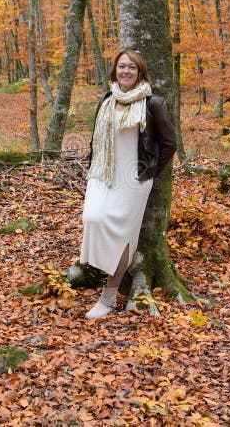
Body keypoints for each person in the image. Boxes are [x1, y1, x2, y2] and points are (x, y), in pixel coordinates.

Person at [81, 49, 177, 319]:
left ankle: (108, 297)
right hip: (104, 173)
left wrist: (147, 172)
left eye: (131, 68)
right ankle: (114, 266)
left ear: (140, 72)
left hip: (133, 179)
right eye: (122, 66)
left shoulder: (152, 103)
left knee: (122, 236)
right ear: (115, 70)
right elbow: (96, 139)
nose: (126, 71)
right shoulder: (108, 100)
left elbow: (170, 144)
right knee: (93, 218)